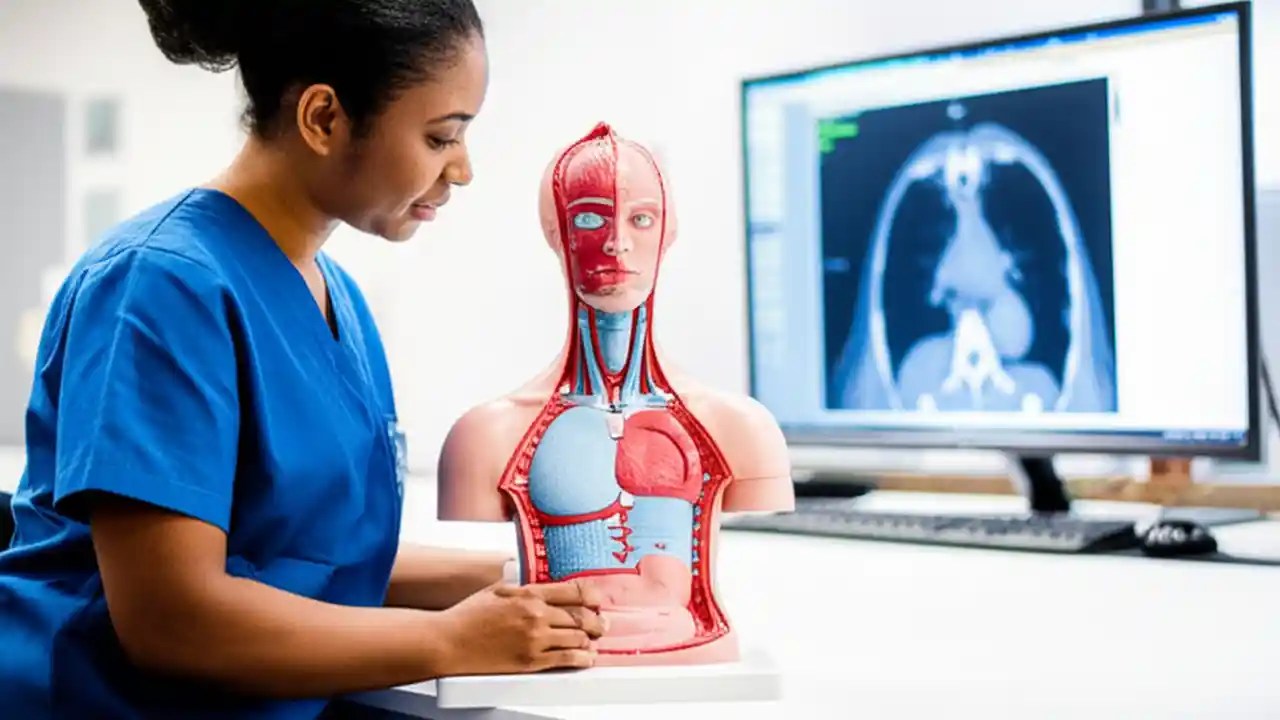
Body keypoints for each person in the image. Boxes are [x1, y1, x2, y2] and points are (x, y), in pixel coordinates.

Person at [0, 1, 605, 718]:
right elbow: (172, 620)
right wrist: (447, 639)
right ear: (323, 118)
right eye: (441, 137)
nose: (464, 170)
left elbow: (309, 561)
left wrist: (524, 572)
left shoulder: (332, 292)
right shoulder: (159, 285)